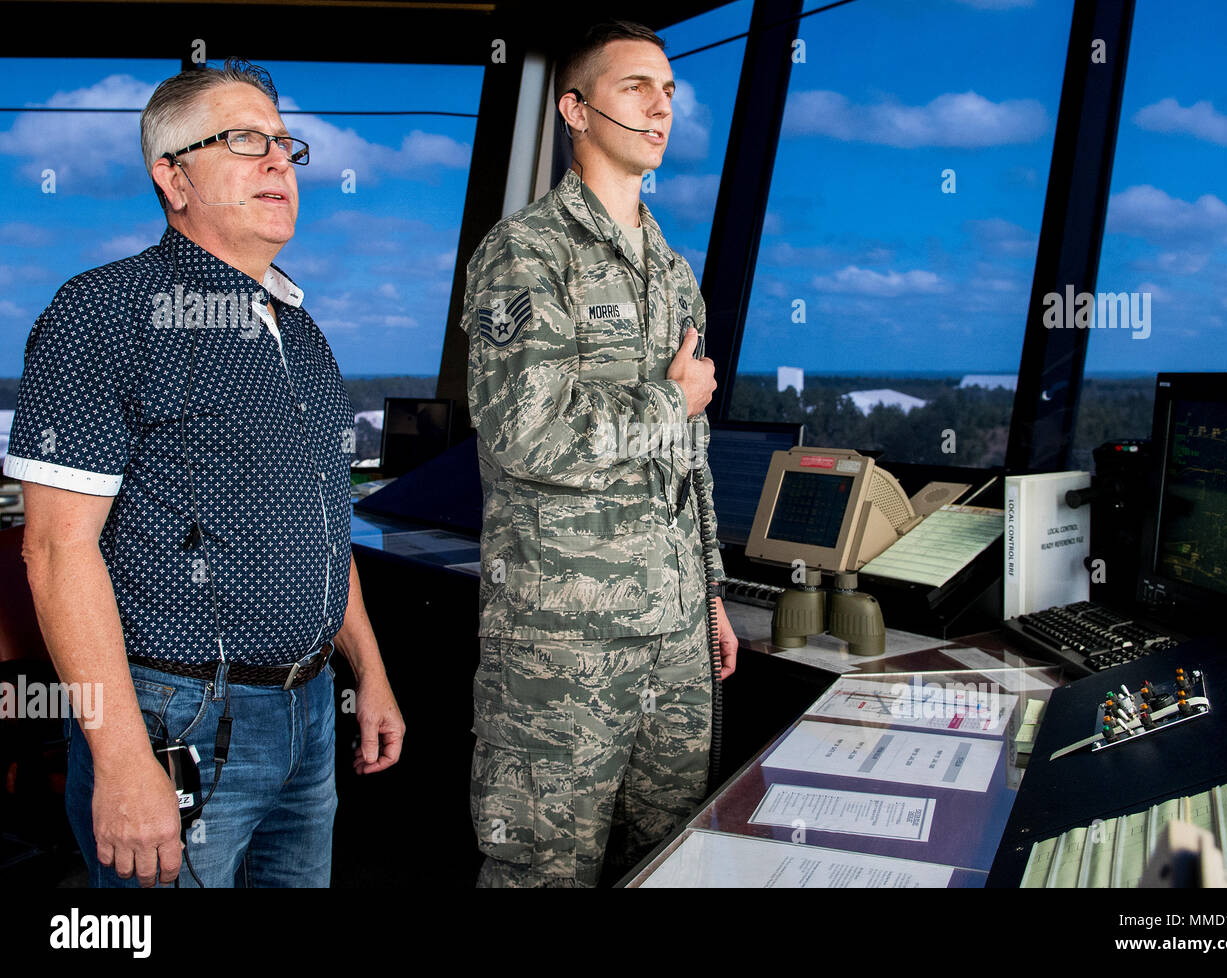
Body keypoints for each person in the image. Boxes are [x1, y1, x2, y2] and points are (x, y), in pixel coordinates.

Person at [4, 58, 404, 887]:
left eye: (285, 145)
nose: (276, 162)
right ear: (172, 176)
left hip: (308, 716)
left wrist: (369, 672)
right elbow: (53, 552)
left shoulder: (304, 334)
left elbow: (327, 531)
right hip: (178, 717)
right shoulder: (103, 313)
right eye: (244, 141)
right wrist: (118, 761)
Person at [463, 21, 738, 888]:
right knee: (543, 873)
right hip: (561, 647)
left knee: (673, 863)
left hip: (676, 633)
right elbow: (527, 431)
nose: (660, 107)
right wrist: (670, 398)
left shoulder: (673, 268)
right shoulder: (526, 253)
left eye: (668, 92)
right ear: (574, 109)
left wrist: (713, 593)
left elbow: (687, 458)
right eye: (635, 88)